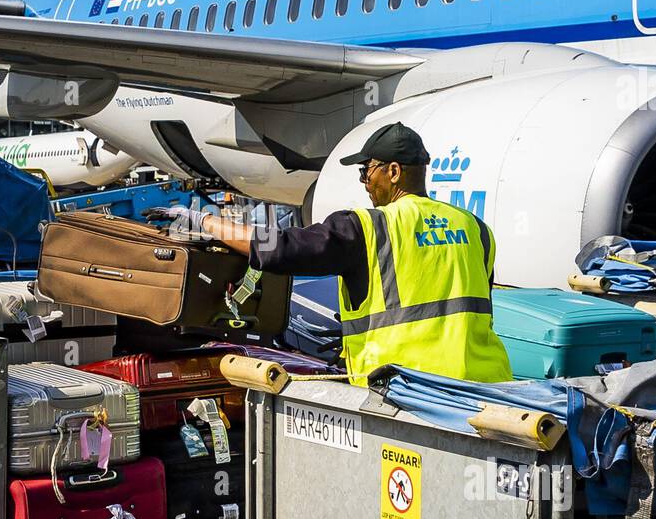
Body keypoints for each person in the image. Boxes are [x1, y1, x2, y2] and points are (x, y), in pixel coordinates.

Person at [158, 122, 511, 384]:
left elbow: (279, 248)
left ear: (393, 172)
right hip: (484, 387)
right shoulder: (476, 229)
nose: (365, 182)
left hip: (409, 390)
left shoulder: (367, 228)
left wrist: (205, 222)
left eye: (366, 171)